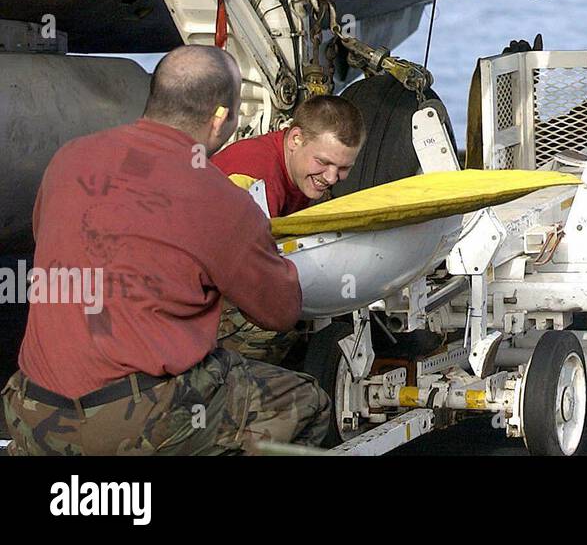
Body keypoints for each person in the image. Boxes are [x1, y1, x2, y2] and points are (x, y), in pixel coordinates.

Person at [1, 45, 329, 454]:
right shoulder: (220, 198)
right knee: (306, 402)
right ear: (220, 118)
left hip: (32, 413)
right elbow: (279, 311)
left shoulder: (68, 159)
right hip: (127, 425)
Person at [211, 95, 365, 364]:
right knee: (276, 330)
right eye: (323, 163)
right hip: (192, 295)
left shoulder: (301, 173)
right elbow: (238, 273)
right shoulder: (252, 178)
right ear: (295, 139)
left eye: (343, 168)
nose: (331, 178)